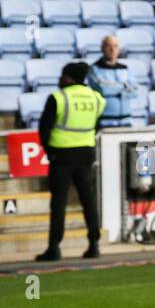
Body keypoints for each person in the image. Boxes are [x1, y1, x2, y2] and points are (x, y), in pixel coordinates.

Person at [34, 62, 106, 262]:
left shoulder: (58, 97)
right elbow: (97, 125)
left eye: (63, 75)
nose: (60, 78)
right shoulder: (96, 98)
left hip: (62, 156)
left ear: (69, 77)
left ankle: (54, 247)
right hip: (86, 154)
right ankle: (94, 244)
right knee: (88, 201)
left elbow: (44, 128)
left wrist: (49, 151)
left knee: (59, 203)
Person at [86, 36, 139, 128]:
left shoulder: (125, 68)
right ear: (102, 49)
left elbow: (135, 91)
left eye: (115, 46)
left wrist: (112, 87)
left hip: (126, 119)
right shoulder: (94, 69)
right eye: (108, 46)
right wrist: (124, 86)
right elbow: (103, 89)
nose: (112, 49)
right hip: (105, 119)